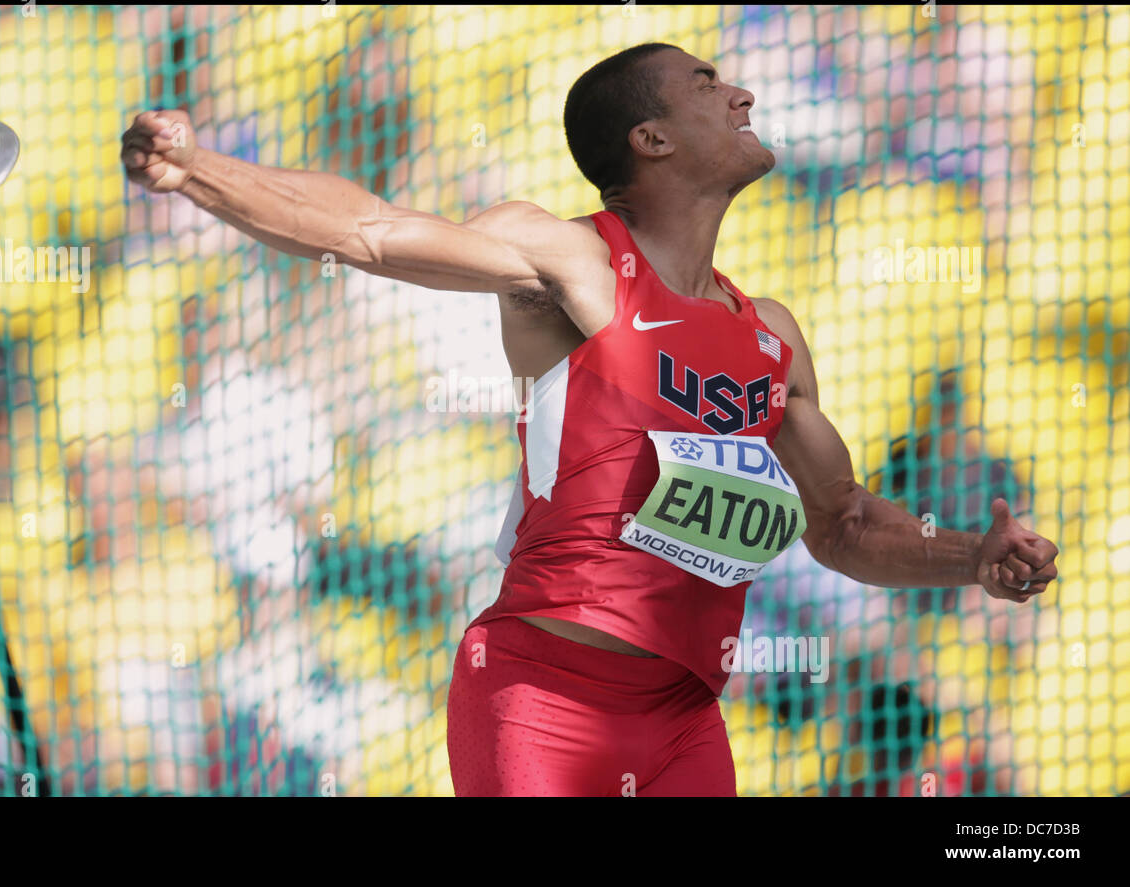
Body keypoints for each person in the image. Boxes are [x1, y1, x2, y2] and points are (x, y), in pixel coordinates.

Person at [119, 42, 1060, 797]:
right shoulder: (568, 262)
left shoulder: (769, 335)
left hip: (689, 718)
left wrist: (969, 556)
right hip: (542, 698)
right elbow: (368, 231)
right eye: (707, 84)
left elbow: (845, 523)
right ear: (651, 139)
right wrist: (195, 170)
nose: (741, 96)